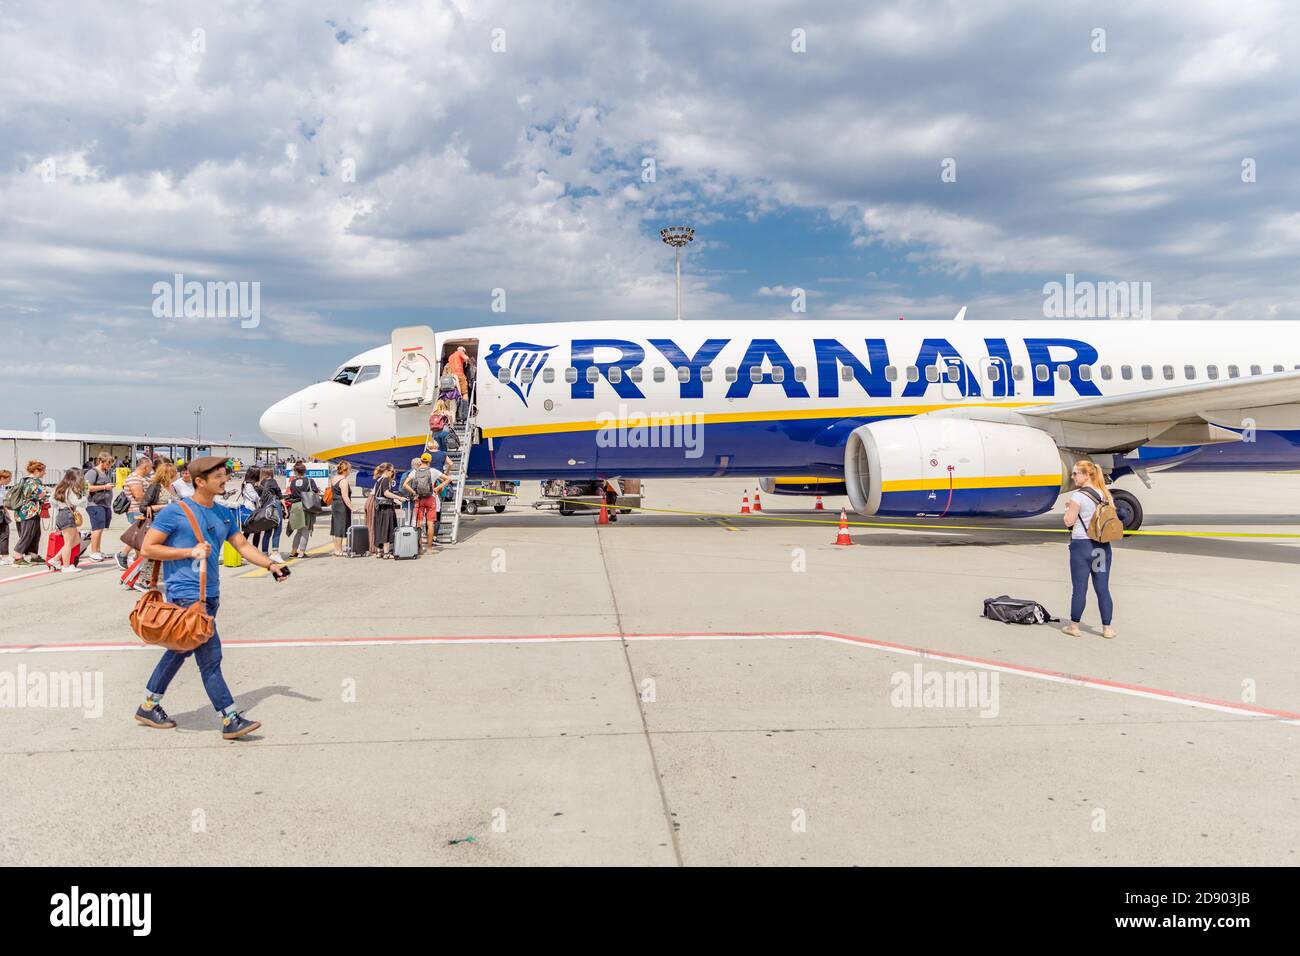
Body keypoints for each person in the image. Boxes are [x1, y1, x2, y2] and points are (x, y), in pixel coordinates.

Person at [134, 456, 290, 739]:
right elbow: (148, 548)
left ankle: (148, 704)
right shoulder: (176, 512)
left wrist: (271, 565)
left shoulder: (222, 514)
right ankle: (230, 717)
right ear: (199, 481)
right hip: (186, 594)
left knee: (180, 649)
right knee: (210, 656)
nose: (224, 480)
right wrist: (188, 552)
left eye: (224, 475)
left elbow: (241, 545)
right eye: (218, 476)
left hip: (210, 593)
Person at [1062, 459, 1116, 640]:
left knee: (1080, 587)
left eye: (1076, 473)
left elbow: (1069, 522)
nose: (1073, 476)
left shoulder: (1078, 497)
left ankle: (1074, 626)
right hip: (1101, 547)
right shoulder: (1104, 494)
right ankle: (1107, 628)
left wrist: (1068, 510)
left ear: (1086, 475)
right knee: (1102, 588)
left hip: (1081, 546)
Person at [403, 453, 450, 553]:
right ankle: (429, 548)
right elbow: (448, 479)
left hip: (419, 499)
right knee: (430, 523)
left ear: (421, 460)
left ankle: (419, 548)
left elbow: (405, 484)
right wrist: (437, 488)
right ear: (430, 460)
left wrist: (414, 492)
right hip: (430, 498)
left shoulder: (415, 471)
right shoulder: (433, 471)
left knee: (419, 523)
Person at [116, 457, 154, 570]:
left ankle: (132, 558)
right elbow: (138, 496)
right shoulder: (134, 479)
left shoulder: (140, 478)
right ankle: (124, 554)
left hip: (139, 509)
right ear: (145, 467)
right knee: (138, 536)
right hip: (136, 510)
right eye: (150, 468)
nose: (150, 470)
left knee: (139, 535)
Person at [49, 468, 88, 572]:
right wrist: (84, 495)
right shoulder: (71, 489)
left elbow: (52, 501)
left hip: (61, 513)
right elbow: (78, 502)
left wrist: (60, 506)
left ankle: (55, 559)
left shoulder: (59, 487)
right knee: (68, 543)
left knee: (76, 540)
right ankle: (66, 566)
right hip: (67, 514)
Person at [11, 460, 48, 566]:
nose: (44, 473)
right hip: (29, 512)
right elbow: (41, 495)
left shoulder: (24, 480)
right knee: (28, 534)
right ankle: (18, 557)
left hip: (21, 511)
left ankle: (33, 555)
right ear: (36, 471)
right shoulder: (34, 482)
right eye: (43, 471)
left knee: (35, 534)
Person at [83, 452, 116, 562]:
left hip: (103, 504)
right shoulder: (93, 472)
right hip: (95, 504)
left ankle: (97, 550)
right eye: (108, 463)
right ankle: (93, 552)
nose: (110, 466)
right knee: (96, 529)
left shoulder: (103, 472)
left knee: (100, 529)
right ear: (102, 462)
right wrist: (105, 487)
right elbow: (87, 487)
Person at [285, 461, 320, 558]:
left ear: (296, 471)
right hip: (306, 506)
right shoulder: (309, 481)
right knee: (305, 530)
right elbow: (316, 492)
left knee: (298, 531)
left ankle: (293, 552)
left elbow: (291, 493)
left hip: (295, 506)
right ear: (305, 471)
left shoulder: (292, 482)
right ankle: (301, 552)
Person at [371, 462, 404, 558]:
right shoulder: (385, 479)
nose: (393, 473)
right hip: (386, 508)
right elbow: (386, 493)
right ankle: (386, 552)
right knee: (387, 528)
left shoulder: (379, 479)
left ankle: (379, 551)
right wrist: (398, 497)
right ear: (387, 471)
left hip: (379, 508)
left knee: (380, 528)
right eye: (392, 471)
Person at [329, 461, 355, 556]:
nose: (350, 471)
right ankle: (338, 550)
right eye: (350, 469)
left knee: (336, 527)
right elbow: (345, 497)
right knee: (340, 528)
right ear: (345, 470)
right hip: (341, 505)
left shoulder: (334, 478)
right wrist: (352, 508)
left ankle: (336, 549)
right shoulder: (343, 481)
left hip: (335, 504)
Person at [0, 469, 12, 566]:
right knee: (4, 533)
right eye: (9, 478)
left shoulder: (2, 487)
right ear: (2, 478)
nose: (10, 481)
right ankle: (4, 557)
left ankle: (4, 556)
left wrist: (5, 510)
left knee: (4, 533)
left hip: (2, 511)